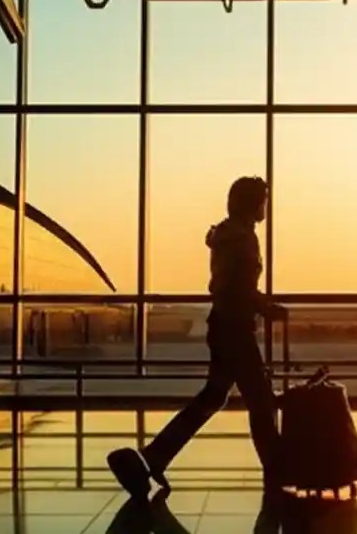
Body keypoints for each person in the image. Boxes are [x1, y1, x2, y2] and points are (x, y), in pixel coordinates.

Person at [108, 176, 288, 498]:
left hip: (221, 326)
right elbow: (239, 288)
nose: (266, 206)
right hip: (235, 330)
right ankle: (277, 472)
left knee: (213, 396)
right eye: (263, 200)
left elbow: (227, 285)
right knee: (260, 403)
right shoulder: (244, 239)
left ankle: (155, 455)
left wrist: (257, 303)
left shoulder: (225, 235)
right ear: (252, 203)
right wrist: (265, 306)